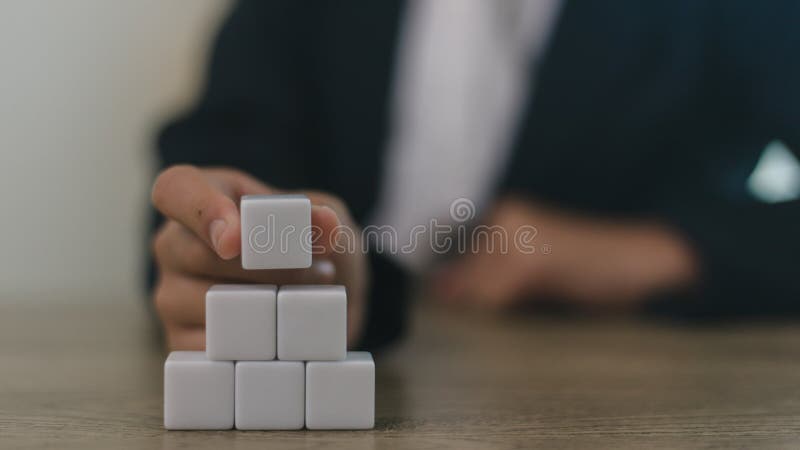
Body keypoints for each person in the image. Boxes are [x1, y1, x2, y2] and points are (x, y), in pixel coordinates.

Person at [148, 0, 800, 352]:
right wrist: (214, 249)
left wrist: (667, 251)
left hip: (610, 377)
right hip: (359, 356)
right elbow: (199, 191)